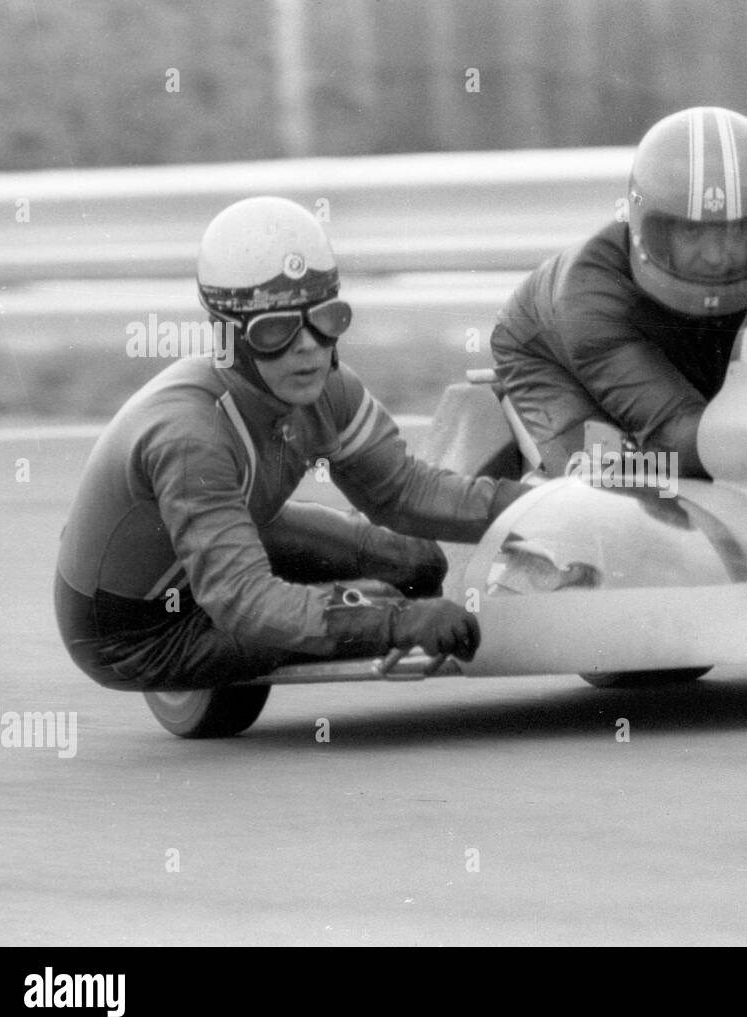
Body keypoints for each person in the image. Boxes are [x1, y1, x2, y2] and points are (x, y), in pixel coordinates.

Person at [55, 196, 525, 693]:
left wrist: (535, 506)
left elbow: (404, 493)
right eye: (276, 329)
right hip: (138, 630)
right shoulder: (190, 436)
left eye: (326, 319)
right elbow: (241, 598)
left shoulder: (328, 388)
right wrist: (392, 620)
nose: (308, 347)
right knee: (383, 601)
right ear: (228, 336)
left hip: (229, 543)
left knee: (416, 562)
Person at [490, 106, 747, 478]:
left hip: (683, 350)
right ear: (653, 229)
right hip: (554, 361)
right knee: (624, 481)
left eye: (734, 230)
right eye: (692, 232)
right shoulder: (589, 298)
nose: (715, 257)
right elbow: (684, 440)